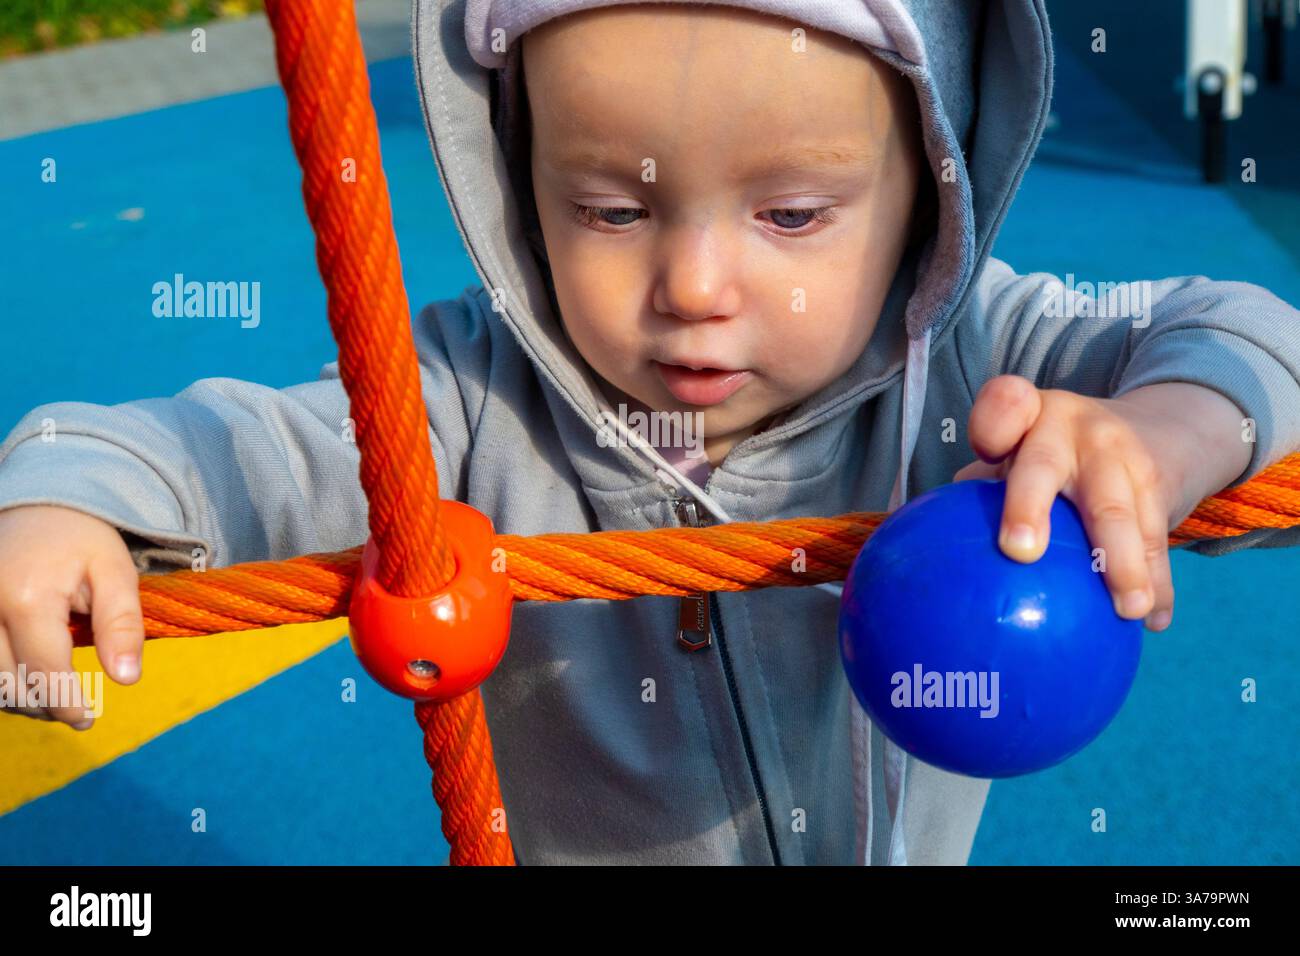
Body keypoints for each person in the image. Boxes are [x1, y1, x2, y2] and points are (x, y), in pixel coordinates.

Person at [1, 0, 1298, 865]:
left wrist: (1158, 437)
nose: (693, 287)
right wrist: (69, 497)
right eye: (611, 210)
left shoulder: (974, 360)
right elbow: (245, 449)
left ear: (928, 195)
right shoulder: (466, 396)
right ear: (523, 185)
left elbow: (1246, 330)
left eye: (791, 215)